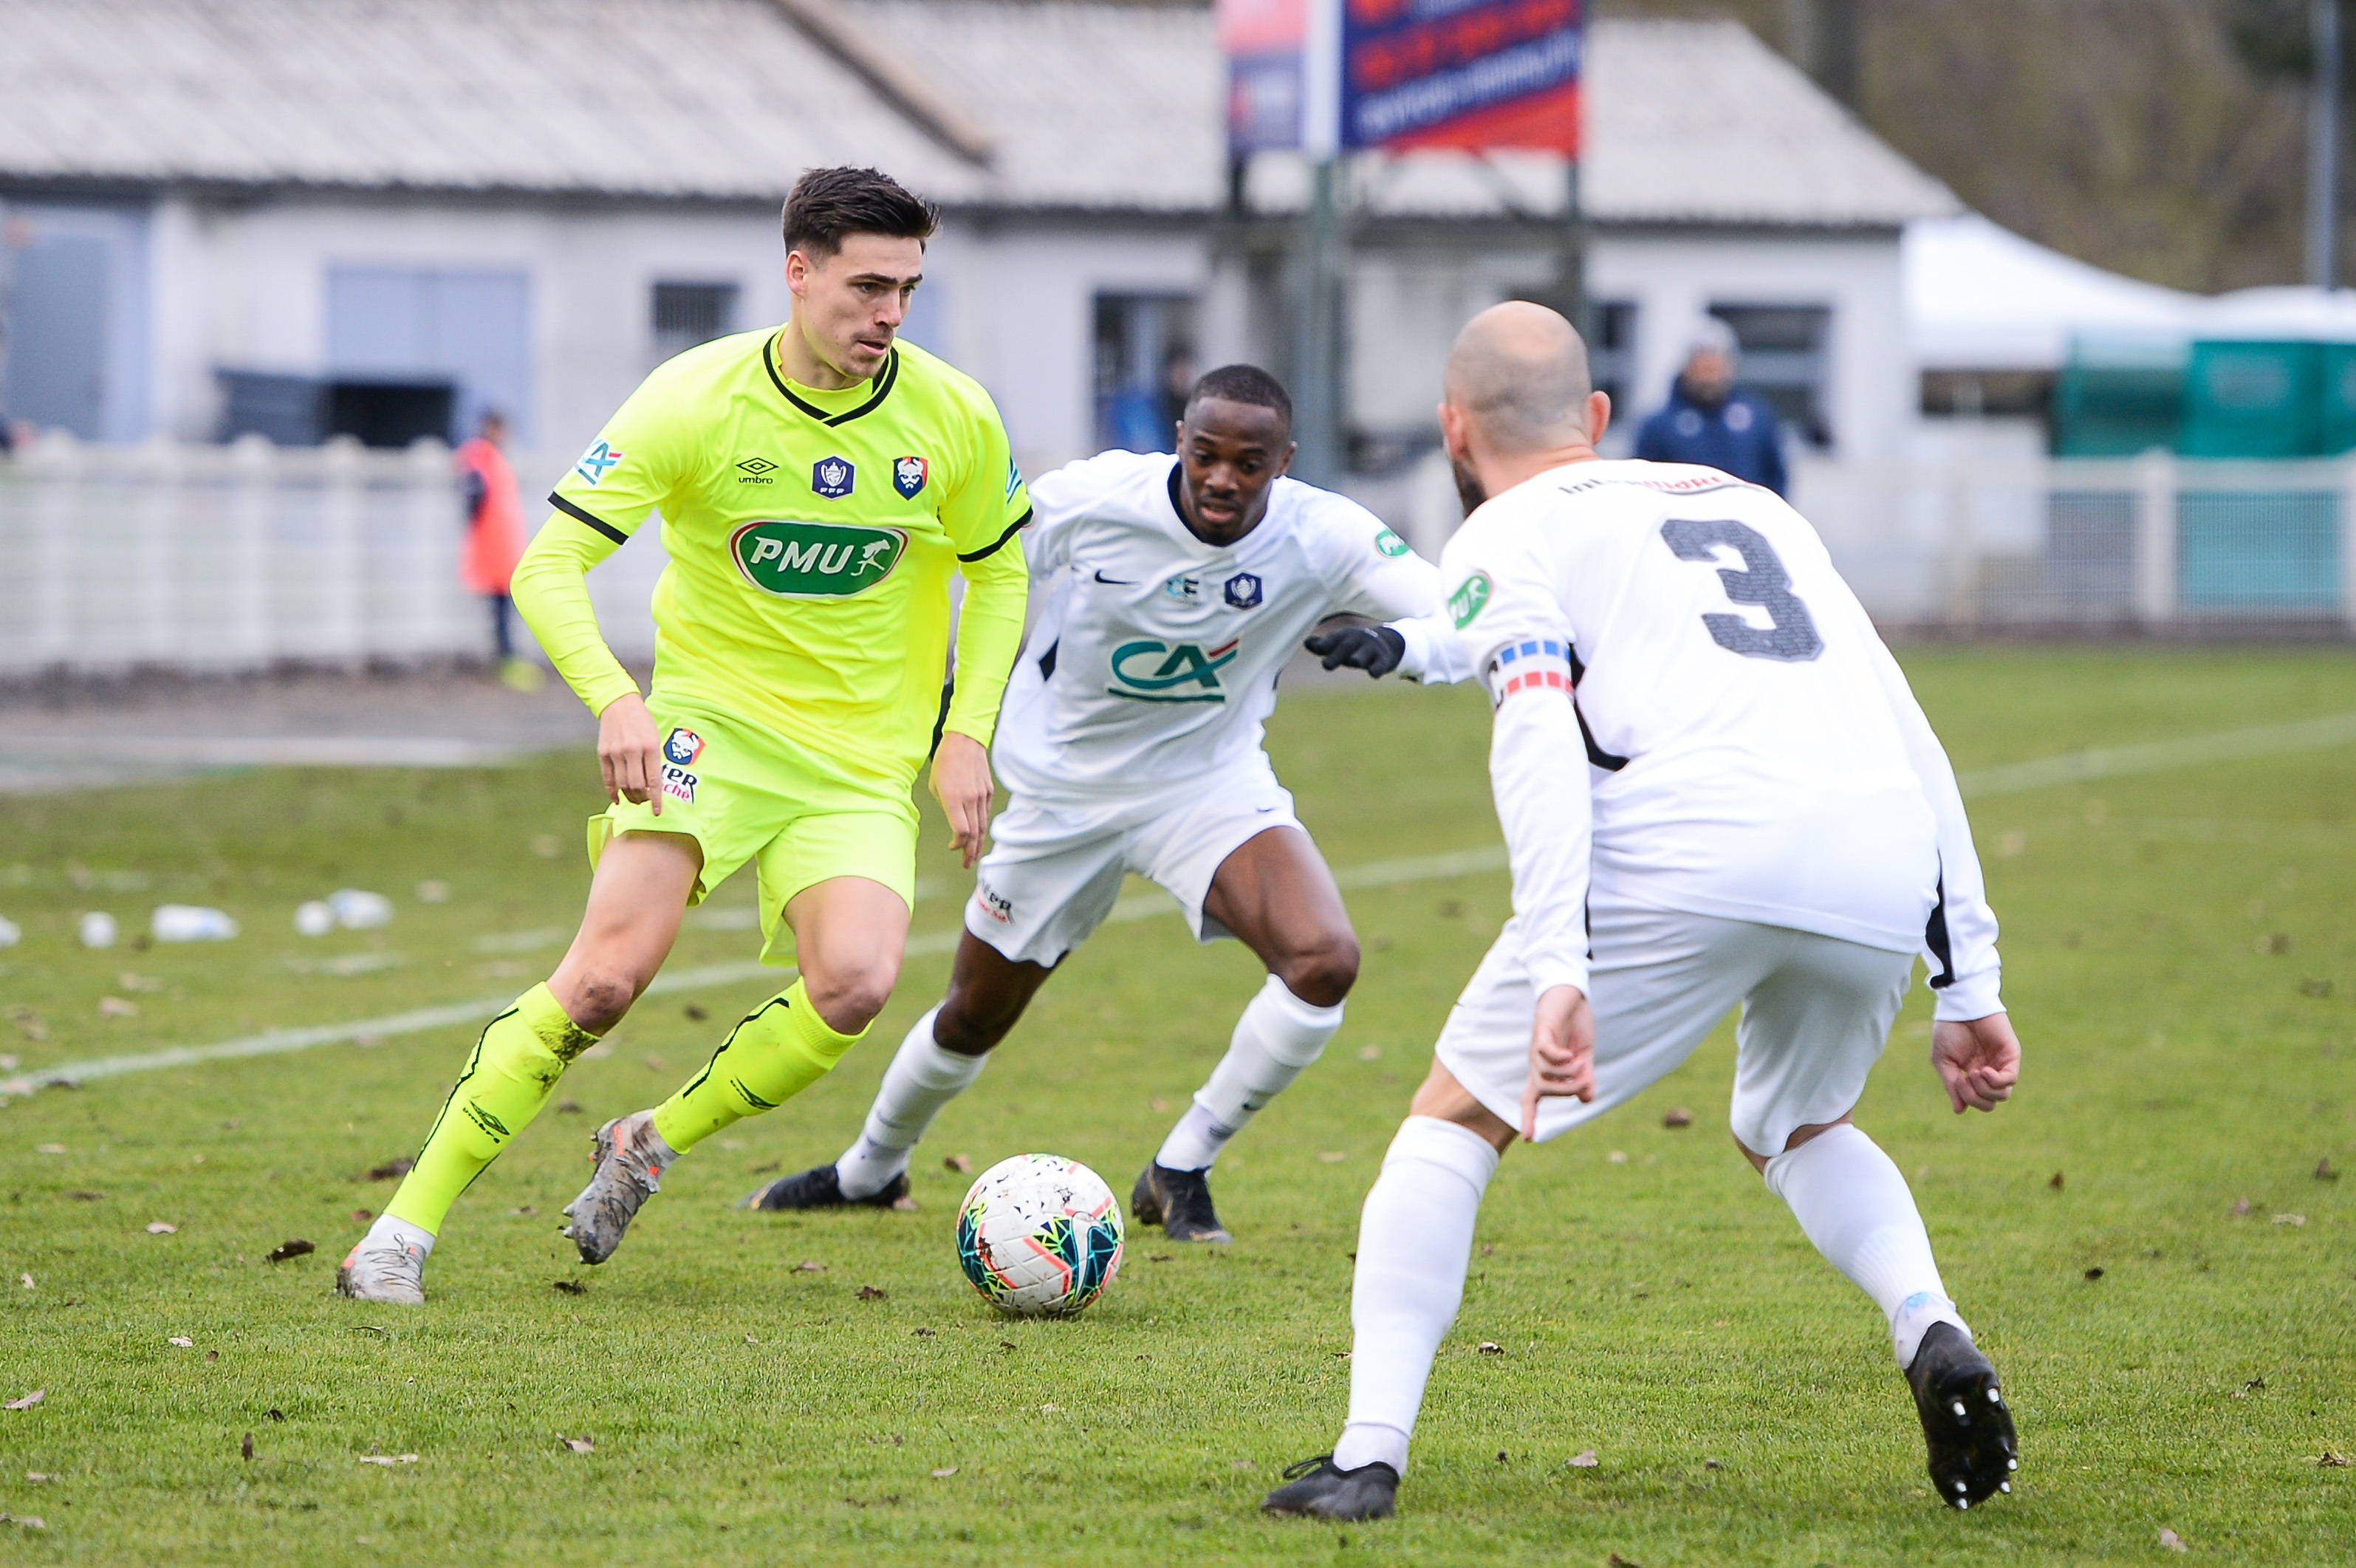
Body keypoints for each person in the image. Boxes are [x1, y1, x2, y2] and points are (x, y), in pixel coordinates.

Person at [1262, 303, 2022, 1521]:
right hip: (1877, 846)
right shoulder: (1752, 502)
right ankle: (1929, 1322)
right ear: (1599, 417)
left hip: (1687, 846)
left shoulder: (1504, 525)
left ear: (1454, 430)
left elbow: (1532, 721)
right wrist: (1968, 981)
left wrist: (1558, 955)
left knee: (1450, 1123)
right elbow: (1911, 732)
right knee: (1796, 1120)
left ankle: (1368, 1453)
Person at [336, 166, 1033, 1304]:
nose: (889, 315)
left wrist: (967, 734)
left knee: (854, 982)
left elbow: (999, 572)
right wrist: (617, 696)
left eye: (907, 288)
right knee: (604, 981)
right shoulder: (696, 397)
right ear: (796, 272)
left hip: (860, 761)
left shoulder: (950, 411)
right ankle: (400, 1232)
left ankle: (647, 1140)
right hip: (706, 732)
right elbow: (547, 563)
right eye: (866, 287)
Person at [744, 364, 1472, 1241]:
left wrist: (1400, 643)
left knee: (1324, 961)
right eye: (1206, 454)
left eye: (1248, 463)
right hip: (1061, 791)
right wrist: (951, 718)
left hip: (1206, 783)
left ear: (1284, 462)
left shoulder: (1326, 534)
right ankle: (868, 1169)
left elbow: (1466, 616)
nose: (1221, 479)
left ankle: (1180, 1166)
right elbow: (982, 569)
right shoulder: (1091, 499)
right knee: (974, 1012)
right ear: (1179, 440)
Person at [1634, 319, 1787, 494]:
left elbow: (1776, 474)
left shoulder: (1756, 417)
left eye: (1715, 368)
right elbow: (1643, 484)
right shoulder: (1659, 426)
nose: (1709, 378)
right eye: (1703, 369)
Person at [453, 409, 537, 691]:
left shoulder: (490, 457)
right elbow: (473, 493)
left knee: (503, 604)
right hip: (493, 544)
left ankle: (505, 658)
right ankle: (506, 659)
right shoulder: (482, 456)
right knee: (501, 605)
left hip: (501, 544)